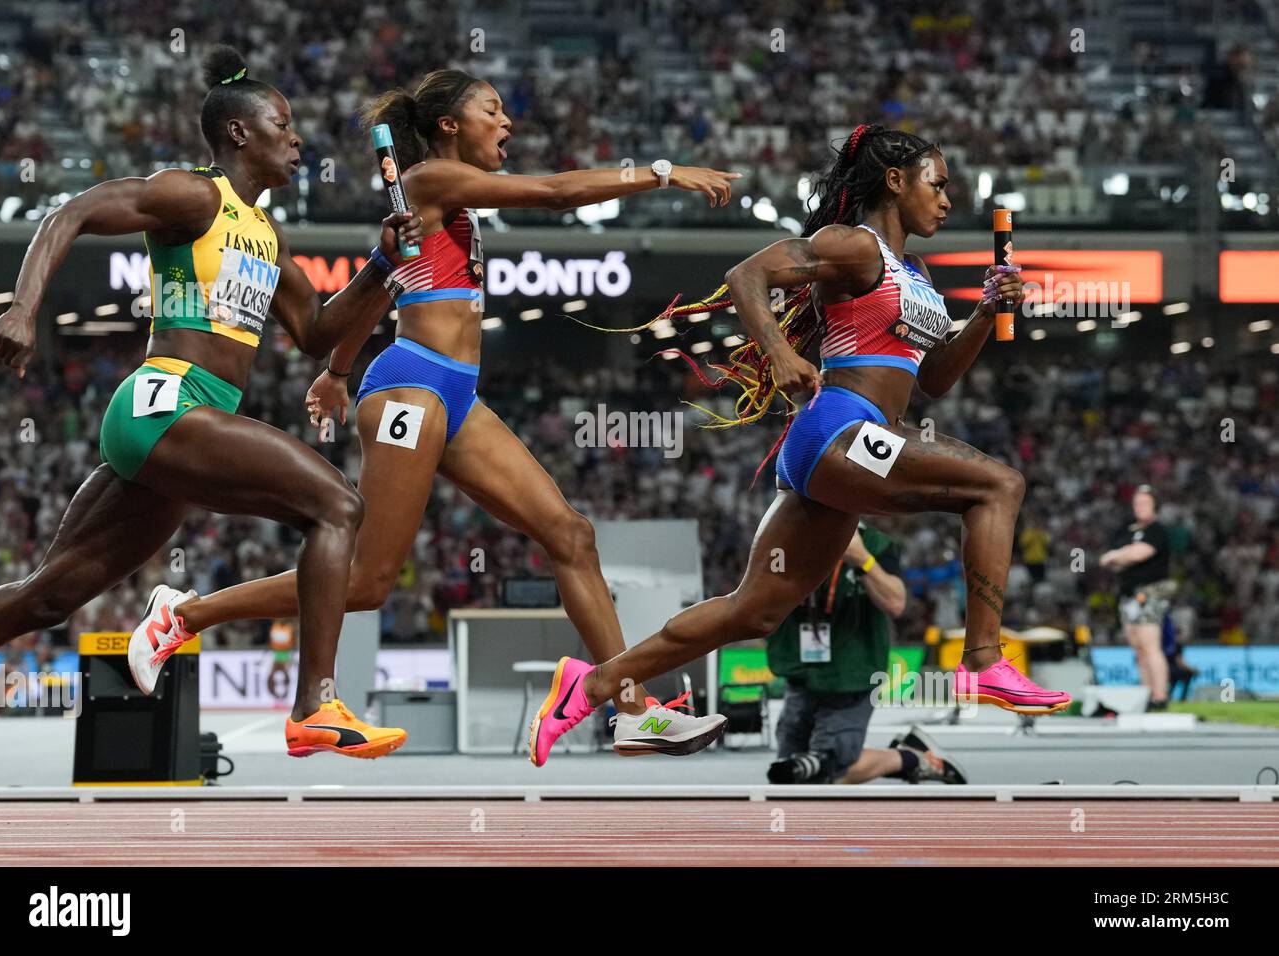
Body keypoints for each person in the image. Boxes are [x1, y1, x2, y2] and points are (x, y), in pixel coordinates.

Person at [138, 69, 739, 756]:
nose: (507, 122)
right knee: (365, 583)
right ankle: (184, 614)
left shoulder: (433, 198)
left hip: (456, 392)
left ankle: (628, 705)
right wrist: (663, 173)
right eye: (493, 109)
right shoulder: (427, 179)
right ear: (450, 125)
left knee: (570, 534)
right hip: (409, 386)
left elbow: (383, 277)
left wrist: (336, 371)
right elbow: (555, 193)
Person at [530, 122, 1072, 766]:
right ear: (895, 181)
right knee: (1000, 484)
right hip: (840, 430)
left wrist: (983, 315)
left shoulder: (914, 271)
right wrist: (782, 353)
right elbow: (744, 276)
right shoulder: (853, 246)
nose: (949, 199)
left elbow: (934, 378)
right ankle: (983, 659)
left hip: (848, 446)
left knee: (752, 614)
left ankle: (592, 683)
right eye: (939, 183)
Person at [0, 46, 425, 759]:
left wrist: (380, 266)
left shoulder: (267, 235)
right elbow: (71, 213)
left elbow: (316, 333)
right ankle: (315, 704)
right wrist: (23, 309)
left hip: (179, 427)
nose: (298, 137)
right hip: (165, 406)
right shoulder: (195, 195)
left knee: (48, 597)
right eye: (282, 123)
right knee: (337, 506)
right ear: (240, 133)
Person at [765, 522, 966, 785]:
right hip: (801, 673)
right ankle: (910, 756)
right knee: (790, 776)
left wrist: (862, 560)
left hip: (851, 674)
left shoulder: (873, 544)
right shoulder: (782, 541)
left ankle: (913, 759)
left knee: (824, 769)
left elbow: (896, 603)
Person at [1100, 484, 1176, 711]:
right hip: (1127, 595)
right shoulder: (1127, 530)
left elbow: (1138, 554)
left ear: (1155, 506)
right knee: (1138, 647)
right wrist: (1119, 556)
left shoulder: (1157, 530)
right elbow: (1109, 561)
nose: (1140, 507)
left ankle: (1160, 696)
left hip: (1149, 593)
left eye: (1145, 503)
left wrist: (1117, 555)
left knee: (1151, 645)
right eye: (1137, 503)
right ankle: (1146, 692)